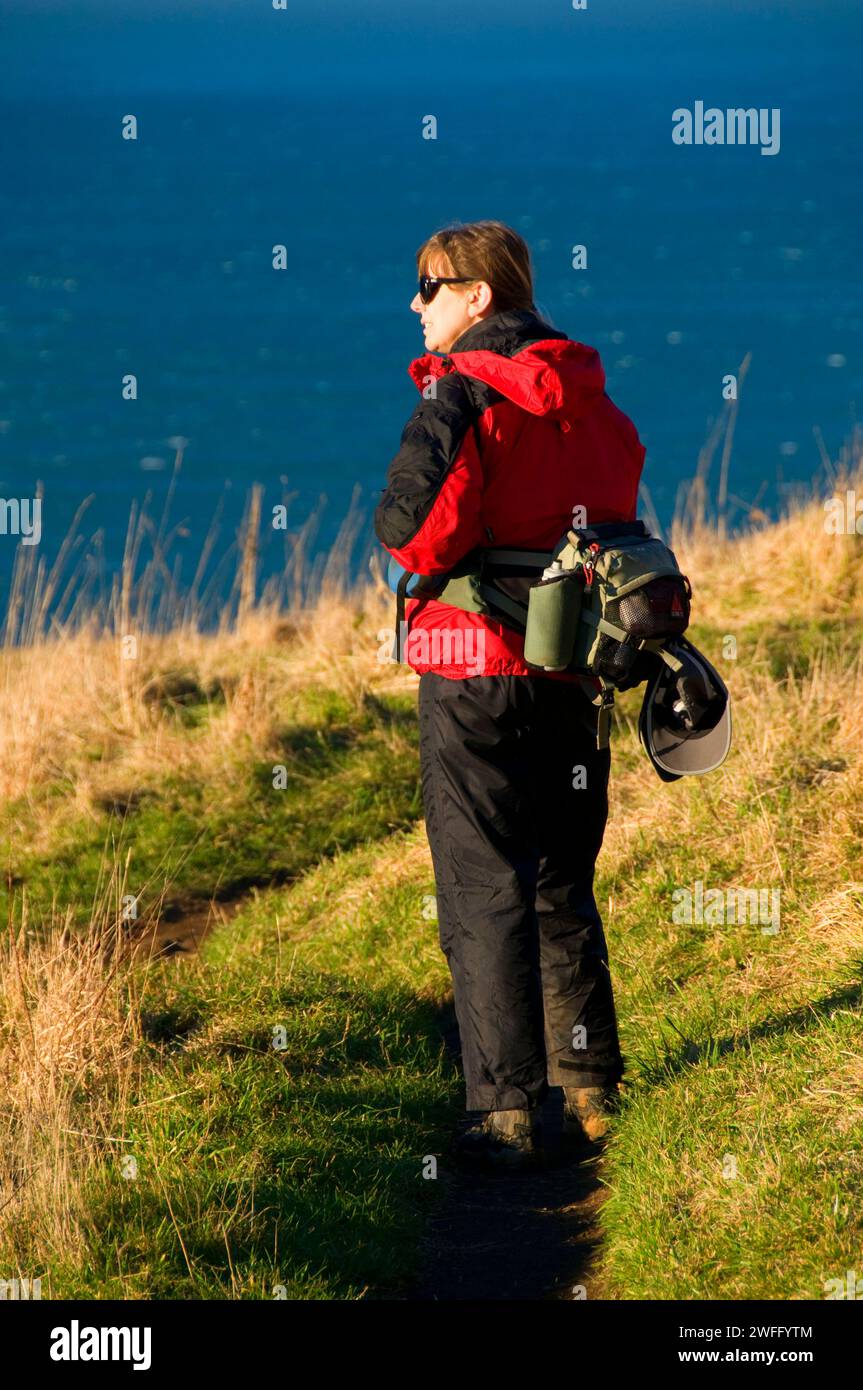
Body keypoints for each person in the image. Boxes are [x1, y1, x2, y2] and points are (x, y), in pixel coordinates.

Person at [374, 220, 645, 1171]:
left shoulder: (459, 396)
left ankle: (505, 1113)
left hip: (472, 665)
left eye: (429, 285)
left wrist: (430, 436)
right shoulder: (598, 406)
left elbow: (416, 540)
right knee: (560, 878)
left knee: (483, 883)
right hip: (575, 670)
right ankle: (590, 1088)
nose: (415, 303)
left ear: (478, 296)